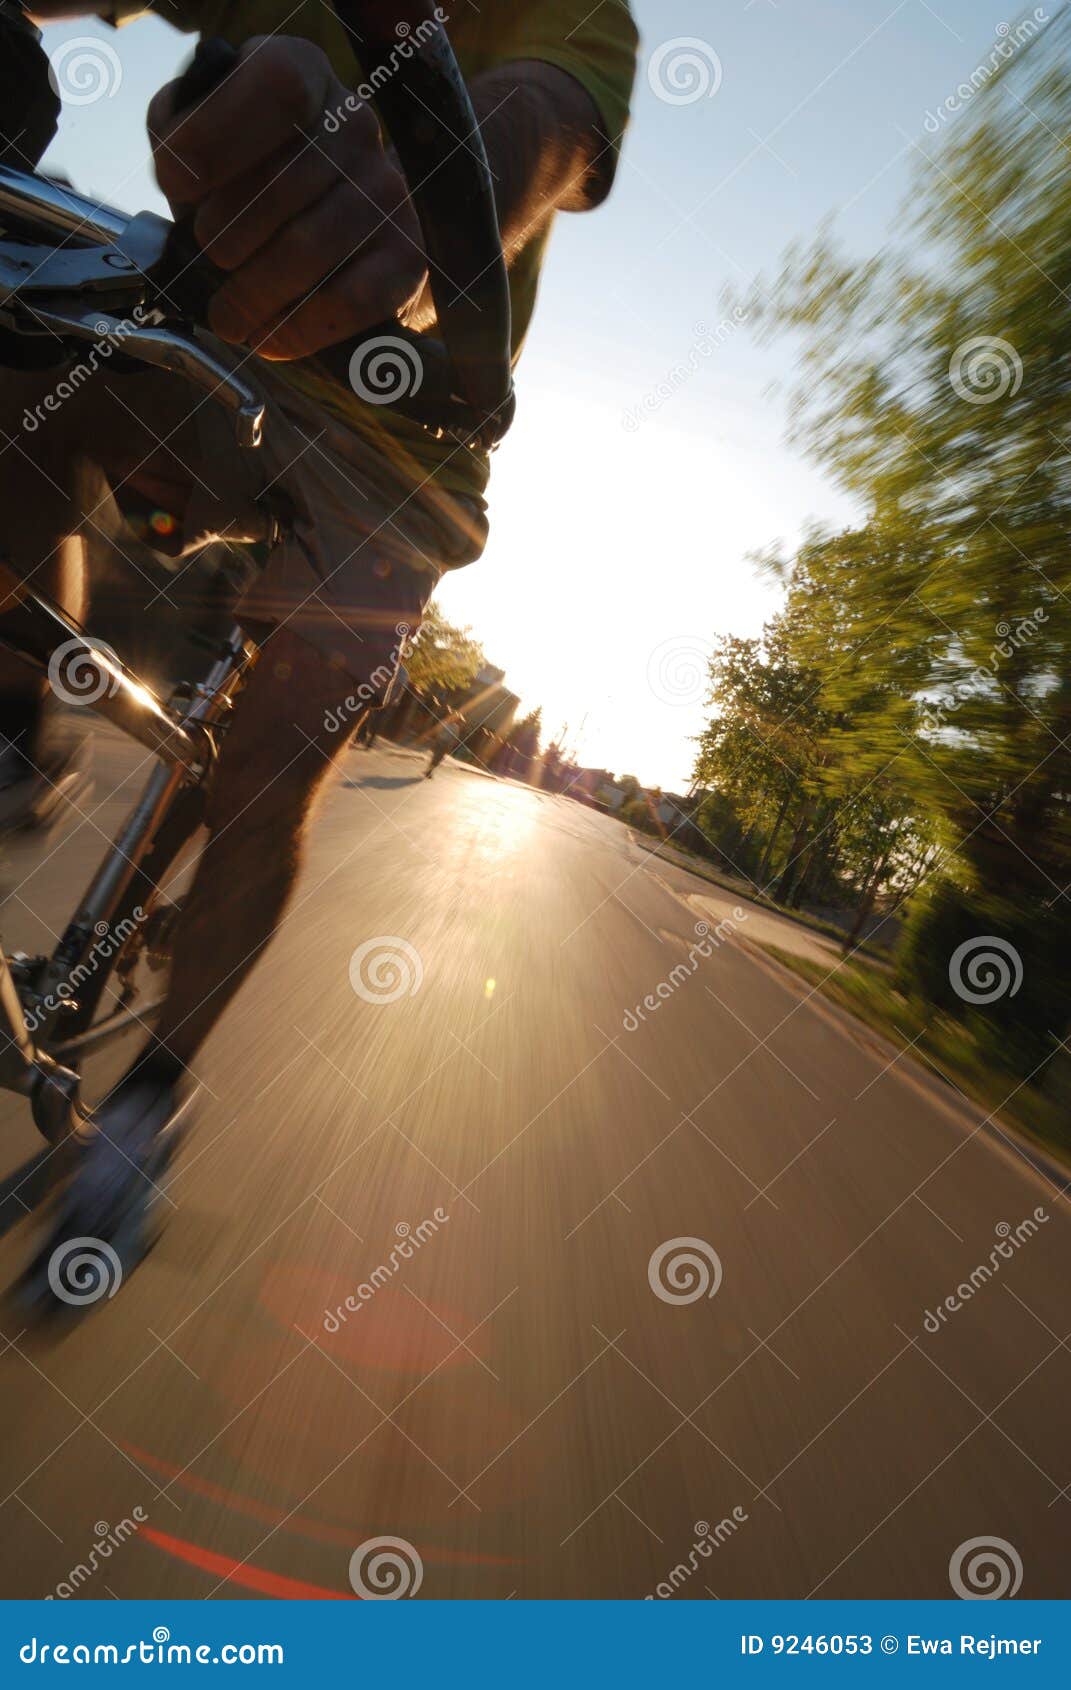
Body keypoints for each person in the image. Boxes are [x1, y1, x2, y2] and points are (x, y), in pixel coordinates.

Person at [0, 2, 639, 1170]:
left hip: (400, 456)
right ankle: (17, 731)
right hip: (217, 350)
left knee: (277, 748)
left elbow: (541, 121)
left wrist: (416, 207)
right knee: (19, 384)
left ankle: (148, 1105)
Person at [425, 712, 463, 779]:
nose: (453, 718)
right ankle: (429, 770)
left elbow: (454, 737)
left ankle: (430, 770)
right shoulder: (444, 723)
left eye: (455, 718)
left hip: (446, 744)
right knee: (435, 756)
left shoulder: (456, 727)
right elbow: (438, 731)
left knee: (438, 758)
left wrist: (450, 746)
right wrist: (435, 740)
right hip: (440, 741)